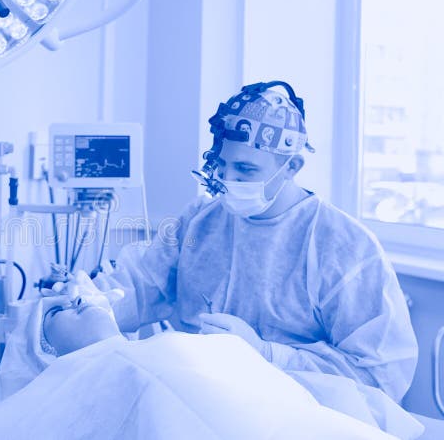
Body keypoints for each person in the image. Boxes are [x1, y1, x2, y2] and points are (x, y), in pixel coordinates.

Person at [87, 81, 418, 403]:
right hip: (198, 400)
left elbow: (378, 377)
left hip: (296, 418)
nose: (228, 180)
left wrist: (267, 354)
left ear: (291, 166)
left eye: (245, 169)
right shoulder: (200, 220)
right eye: (222, 166)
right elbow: (141, 286)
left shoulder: (343, 246)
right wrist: (89, 301)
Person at [0, 282, 419, 440]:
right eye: (59, 310)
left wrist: (265, 355)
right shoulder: (79, 383)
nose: (79, 297)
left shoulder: (181, 349)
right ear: (46, 353)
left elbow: (338, 400)